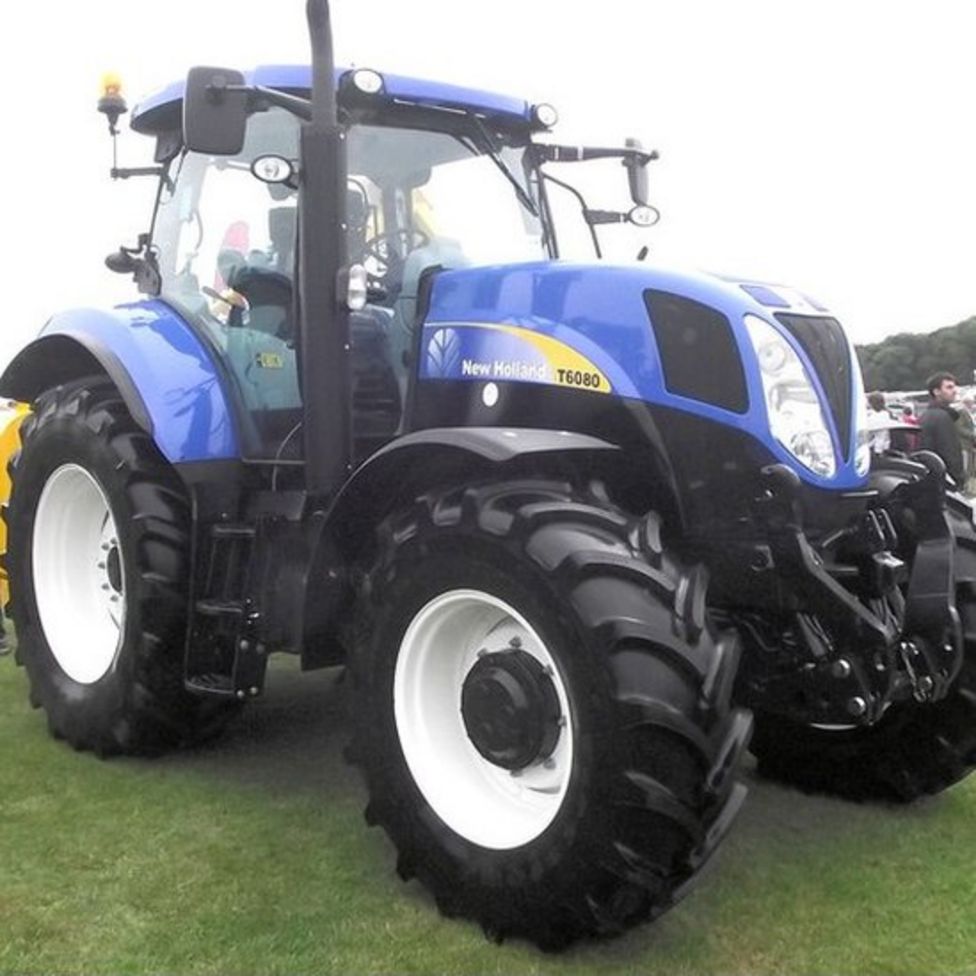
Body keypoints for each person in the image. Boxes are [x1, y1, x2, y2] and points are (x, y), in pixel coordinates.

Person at [919, 372, 965, 485]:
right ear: (936, 391)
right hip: (945, 480)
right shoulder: (942, 417)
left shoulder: (926, 415)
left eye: (954, 387)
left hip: (933, 478)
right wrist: (958, 478)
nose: (954, 391)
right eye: (949, 387)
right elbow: (950, 451)